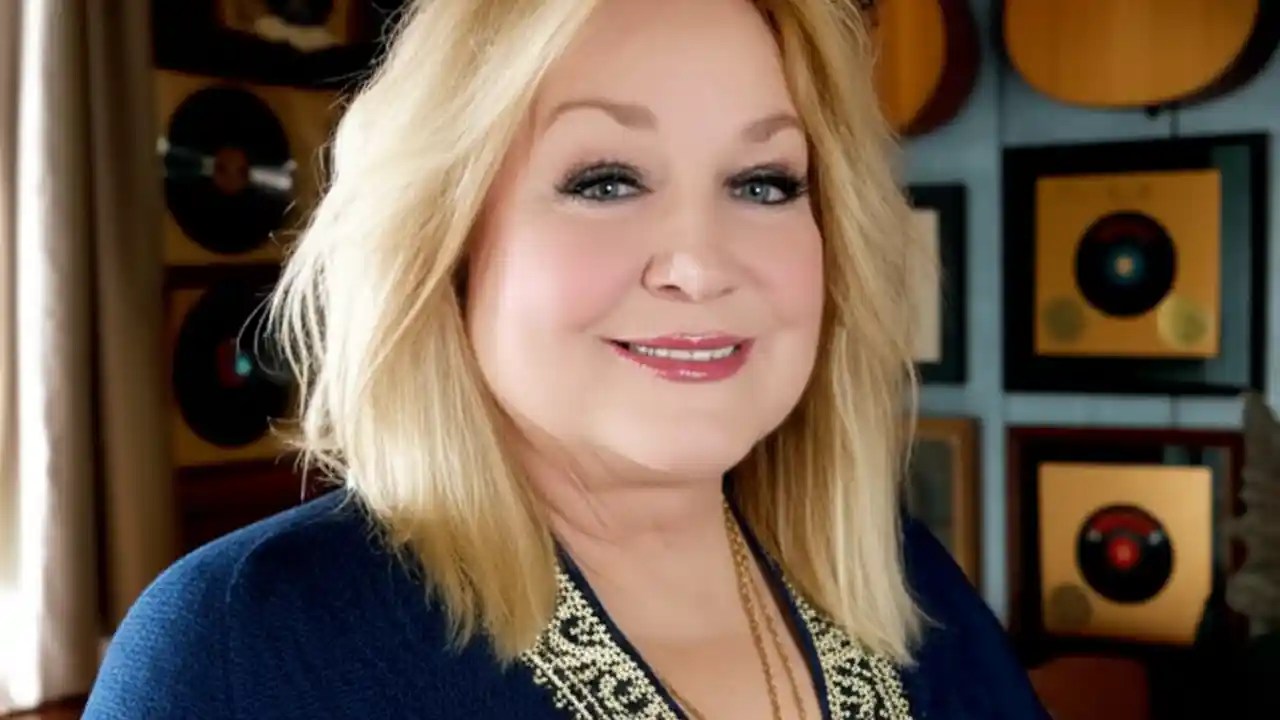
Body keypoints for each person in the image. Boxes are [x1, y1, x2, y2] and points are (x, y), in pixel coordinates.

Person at [85, 0, 1050, 717]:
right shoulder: (239, 644)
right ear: (448, 239)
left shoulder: (903, 581)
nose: (700, 265)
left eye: (763, 182)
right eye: (605, 180)